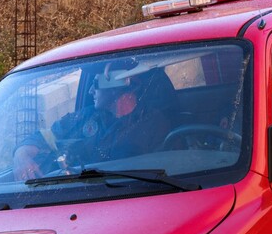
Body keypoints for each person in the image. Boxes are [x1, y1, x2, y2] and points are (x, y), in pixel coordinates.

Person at [13, 63, 170, 180]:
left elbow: (162, 174)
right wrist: (21, 155)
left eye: (96, 84)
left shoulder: (153, 123)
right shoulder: (84, 117)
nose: (90, 91)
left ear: (117, 83)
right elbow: (45, 136)